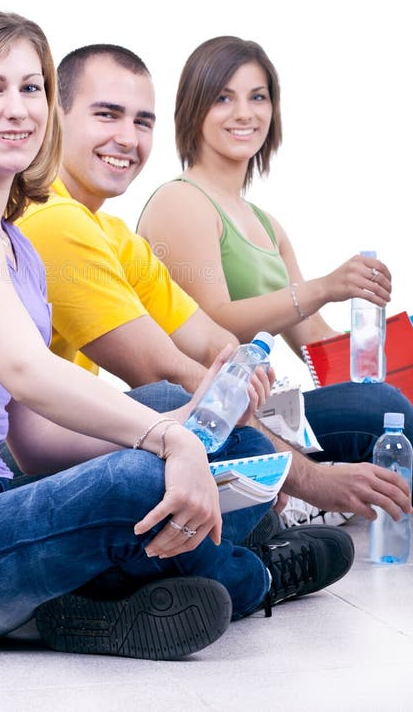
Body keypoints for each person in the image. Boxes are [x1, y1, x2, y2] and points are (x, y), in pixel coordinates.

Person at [0, 11, 347, 664]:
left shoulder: (18, 249)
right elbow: (23, 369)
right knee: (142, 476)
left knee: (227, 449)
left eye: (31, 87)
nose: (16, 109)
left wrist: (185, 422)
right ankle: (249, 576)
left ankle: (74, 610)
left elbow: (35, 441)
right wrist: (164, 438)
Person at [18, 42, 412, 528]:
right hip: (27, 456)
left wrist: (241, 379)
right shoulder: (131, 210)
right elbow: (165, 369)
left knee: (374, 406)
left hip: (234, 404)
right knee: (187, 414)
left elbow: (219, 342)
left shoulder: (118, 233)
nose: (126, 137)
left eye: (142, 122)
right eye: (107, 115)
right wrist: (308, 473)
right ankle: (263, 538)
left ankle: (256, 545)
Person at [137, 35, 413, 522]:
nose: (244, 112)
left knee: (388, 400)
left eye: (257, 97)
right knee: (378, 405)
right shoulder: (180, 202)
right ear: (194, 108)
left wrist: (392, 352)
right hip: (207, 414)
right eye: (223, 97)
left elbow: (316, 341)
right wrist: (325, 286)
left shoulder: (266, 225)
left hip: (269, 411)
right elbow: (211, 326)